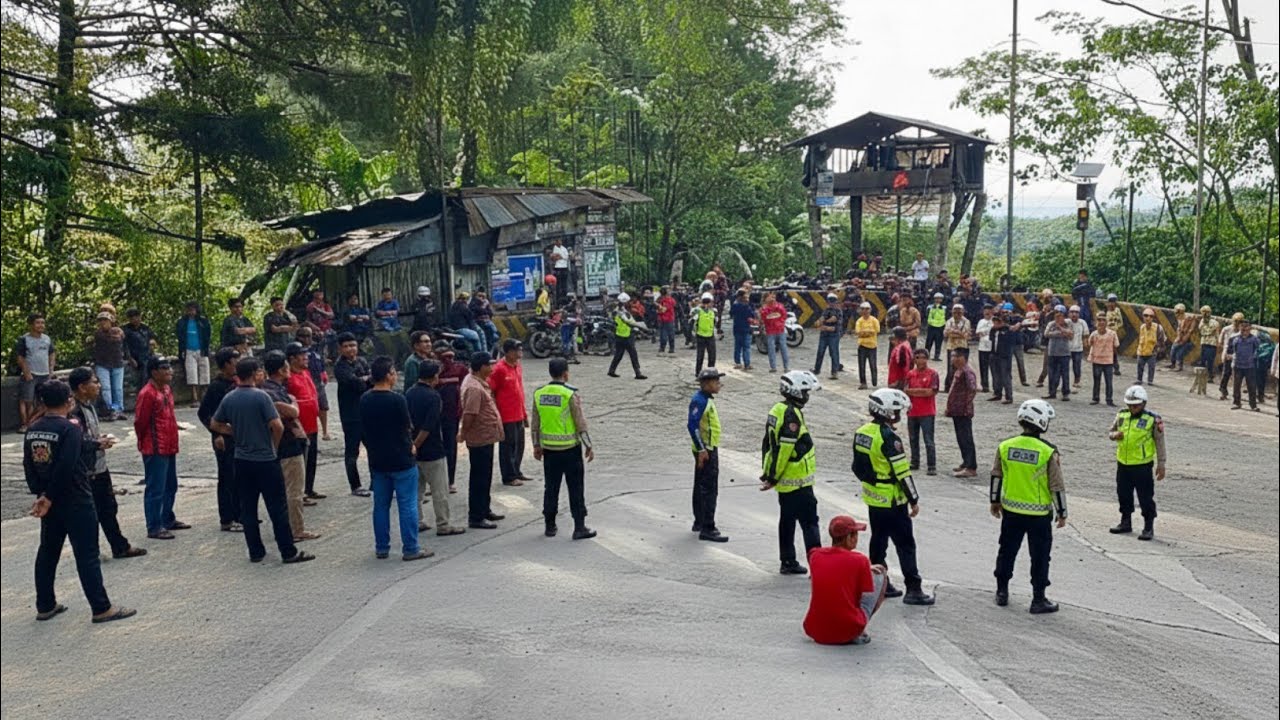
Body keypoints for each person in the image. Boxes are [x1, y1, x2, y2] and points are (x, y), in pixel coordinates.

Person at [25, 380, 137, 624]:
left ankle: (45, 604)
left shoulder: (33, 429)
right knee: (86, 554)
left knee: (48, 551)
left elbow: (29, 466)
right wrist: (50, 495)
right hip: (75, 498)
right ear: (69, 401)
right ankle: (101, 607)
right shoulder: (70, 428)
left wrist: (42, 494)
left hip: (49, 500)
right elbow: (66, 465)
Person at [210, 358, 316, 565]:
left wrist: (235, 433)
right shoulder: (261, 397)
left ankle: (256, 551)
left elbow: (215, 423)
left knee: (248, 508)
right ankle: (288, 551)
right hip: (265, 459)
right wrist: (273, 447)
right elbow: (278, 426)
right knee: (277, 507)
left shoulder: (230, 398)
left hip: (242, 459)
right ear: (254, 373)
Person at [852, 388, 934, 605]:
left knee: (878, 541)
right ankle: (914, 588)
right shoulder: (889, 437)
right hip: (892, 499)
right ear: (888, 412)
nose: (899, 414)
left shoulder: (862, 432)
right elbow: (902, 472)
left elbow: (857, 466)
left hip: (873, 497)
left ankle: (880, 585)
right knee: (905, 544)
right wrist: (913, 499)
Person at [990, 399, 1067, 614]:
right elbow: (1057, 485)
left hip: (1011, 512)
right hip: (1039, 515)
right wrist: (1062, 513)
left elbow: (996, 476)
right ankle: (1038, 599)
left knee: (1006, 552)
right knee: (1040, 557)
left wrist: (994, 502)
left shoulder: (1005, 446)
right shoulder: (1047, 451)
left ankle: (1002, 592)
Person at [67, 368, 146, 559]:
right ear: (82, 387)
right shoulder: (74, 412)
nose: (99, 386)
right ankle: (90, 551)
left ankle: (119, 546)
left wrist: (98, 440)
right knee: (90, 513)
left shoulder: (90, 406)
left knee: (108, 508)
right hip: (87, 471)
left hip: (100, 467)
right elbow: (75, 441)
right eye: (94, 382)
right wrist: (96, 443)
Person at [360, 356, 432, 561]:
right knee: (407, 504)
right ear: (388, 375)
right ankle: (411, 548)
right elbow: (406, 426)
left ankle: (382, 547)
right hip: (401, 459)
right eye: (393, 372)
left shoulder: (365, 399)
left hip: (378, 459)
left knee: (381, 505)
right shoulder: (397, 399)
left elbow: (363, 430)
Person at [760, 370, 823, 575]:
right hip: (796, 480)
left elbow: (767, 444)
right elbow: (784, 449)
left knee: (787, 520)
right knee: (809, 523)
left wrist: (769, 473)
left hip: (786, 481)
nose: (807, 395)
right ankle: (818, 567)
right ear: (796, 392)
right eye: (805, 391)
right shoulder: (791, 415)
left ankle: (787, 560)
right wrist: (772, 476)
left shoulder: (777, 409)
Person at [531, 358, 597, 540]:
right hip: (570, 449)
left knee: (550, 488)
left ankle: (550, 526)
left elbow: (535, 423)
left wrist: (536, 445)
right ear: (566, 373)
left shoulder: (539, 393)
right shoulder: (569, 394)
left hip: (549, 450)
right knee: (575, 488)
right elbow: (580, 422)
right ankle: (579, 527)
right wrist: (588, 445)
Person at [802, 515, 887, 646]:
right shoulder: (860, 560)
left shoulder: (815, 555)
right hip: (848, 629)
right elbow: (864, 592)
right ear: (849, 538)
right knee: (880, 573)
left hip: (815, 630)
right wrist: (866, 569)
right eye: (855, 535)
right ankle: (859, 630)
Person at [262, 351, 319, 542]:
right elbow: (293, 411)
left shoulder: (271, 389)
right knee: (294, 491)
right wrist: (293, 403)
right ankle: (296, 529)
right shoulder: (273, 392)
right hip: (287, 445)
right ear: (281, 369)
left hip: (282, 445)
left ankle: (287, 527)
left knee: (283, 489)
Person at [406, 359, 465, 537]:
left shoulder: (409, 393)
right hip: (432, 449)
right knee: (440, 490)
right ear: (434, 376)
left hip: (414, 452)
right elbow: (428, 426)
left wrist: (412, 446)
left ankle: (417, 521)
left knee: (416, 491)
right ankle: (443, 524)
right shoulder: (433, 397)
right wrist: (417, 444)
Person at [134, 357, 187, 540]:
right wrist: (145, 443)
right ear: (154, 372)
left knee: (170, 484)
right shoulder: (147, 393)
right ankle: (154, 526)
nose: (170, 371)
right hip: (155, 446)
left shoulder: (166, 389)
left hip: (170, 443)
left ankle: (167, 518)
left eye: (170, 367)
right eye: (165, 368)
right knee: (156, 487)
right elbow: (140, 422)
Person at [1108, 385, 1167, 540]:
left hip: (1142, 465)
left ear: (1144, 404)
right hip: (1123, 464)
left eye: (1136, 405)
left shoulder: (1152, 419)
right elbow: (1110, 432)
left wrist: (1161, 464)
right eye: (1130, 405)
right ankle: (1125, 522)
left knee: (1145, 497)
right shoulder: (1121, 415)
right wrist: (1115, 435)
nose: (1133, 408)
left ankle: (1148, 527)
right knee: (1123, 494)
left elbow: (1160, 442)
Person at [199, 347, 242, 531]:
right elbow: (204, 413)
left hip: (238, 436)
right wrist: (216, 433)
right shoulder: (217, 387)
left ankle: (240, 515)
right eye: (234, 362)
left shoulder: (236, 382)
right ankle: (227, 519)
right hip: (223, 438)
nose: (238, 365)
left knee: (239, 476)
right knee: (227, 477)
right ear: (226, 365)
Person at [460, 354, 505, 529]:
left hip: (485, 436)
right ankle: (476, 516)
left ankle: (484, 509)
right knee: (479, 477)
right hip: (479, 438)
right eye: (489, 365)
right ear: (481, 367)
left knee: (485, 476)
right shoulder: (474, 388)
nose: (492, 369)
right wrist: (463, 433)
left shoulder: (477, 382)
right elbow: (470, 414)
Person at [688, 368, 728, 542]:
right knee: (709, 488)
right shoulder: (700, 401)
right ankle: (708, 527)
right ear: (706, 384)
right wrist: (702, 449)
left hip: (705, 448)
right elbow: (692, 425)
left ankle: (700, 521)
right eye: (716, 381)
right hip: (706, 450)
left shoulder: (705, 399)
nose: (719, 384)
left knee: (700, 486)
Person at [334, 332, 373, 496]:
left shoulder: (362, 361)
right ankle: (355, 485)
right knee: (352, 452)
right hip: (350, 415)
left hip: (366, 413)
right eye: (347, 346)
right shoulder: (340, 367)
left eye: (353, 345)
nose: (351, 349)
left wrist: (364, 380)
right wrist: (364, 379)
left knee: (373, 448)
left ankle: (376, 481)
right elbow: (355, 384)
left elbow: (371, 381)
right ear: (340, 349)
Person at [490, 338, 532, 486]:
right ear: (508, 352)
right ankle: (508, 476)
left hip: (518, 412)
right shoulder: (499, 369)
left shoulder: (517, 366)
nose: (520, 352)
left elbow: (519, 390)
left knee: (519, 444)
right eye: (516, 350)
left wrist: (524, 414)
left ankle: (516, 471)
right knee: (508, 446)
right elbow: (491, 391)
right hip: (506, 414)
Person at [285, 343, 322, 504]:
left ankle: (309, 488)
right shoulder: (289, 379)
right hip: (300, 427)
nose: (305, 357)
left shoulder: (306, 373)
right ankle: (300, 493)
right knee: (301, 461)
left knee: (312, 458)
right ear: (292, 358)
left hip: (312, 423)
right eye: (301, 355)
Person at [16, 312, 56, 432]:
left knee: (44, 401)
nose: (41, 325)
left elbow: (52, 353)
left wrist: (51, 369)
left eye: (42, 322)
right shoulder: (24, 339)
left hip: (44, 374)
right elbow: (20, 358)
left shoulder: (47, 339)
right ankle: (25, 425)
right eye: (38, 323)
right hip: (31, 374)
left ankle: (37, 423)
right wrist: (27, 373)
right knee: (27, 400)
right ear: (31, 325)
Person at [904, 349, 939, 475]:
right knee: (913, 438)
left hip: (927, 412)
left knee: (928, 440)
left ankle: (931, 465)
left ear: (927, 359)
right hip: (912, 411)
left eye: (923, 357)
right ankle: (915, 461)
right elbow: (906, 390)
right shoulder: (910, 374)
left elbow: (931, 392)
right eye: (918, 357)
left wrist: (914, 391)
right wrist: (922, 391)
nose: (920, 360)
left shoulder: (933, 374)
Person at [437, 349, 467, 492]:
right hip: (435, 414)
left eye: (451, 357)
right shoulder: (434, 368)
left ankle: (450, 480)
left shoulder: (460, 369)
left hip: (452, 414)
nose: (449, 360)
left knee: (451, 447)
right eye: (446, 357)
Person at [946, 348, 978, 478]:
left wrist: (966, 405)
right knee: (960, 437)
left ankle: (971, 466)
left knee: (966, 438)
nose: (952, 359)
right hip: (956, 410)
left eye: (954, 356)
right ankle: (966, 462)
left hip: (963, 411)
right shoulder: (958, 371)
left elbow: (972, 389)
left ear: (962, 357)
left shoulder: (967, 371)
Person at [296, 327, 332, 441]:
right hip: (306, 379)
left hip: (317, 379)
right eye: (303, 335)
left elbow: (320, 360)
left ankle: (325, 431)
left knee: (323, 405)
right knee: (309, 406)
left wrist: (323, 371)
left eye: (309, 336)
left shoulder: (316, 347)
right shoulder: (296, 349)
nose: (307, 338)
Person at [91, 311, 127, 420]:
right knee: (106, 388)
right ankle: (110, 410)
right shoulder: (98, 334)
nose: (103, 323)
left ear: (111, 321)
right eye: (101, 321)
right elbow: (111, 338)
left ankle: (118, 409)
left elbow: (121, 340)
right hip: (102, 364)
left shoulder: (118, 331)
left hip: (117, 363)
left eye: (105, 320)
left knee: (118, 389)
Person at [606, 292, 648, 380]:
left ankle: (611, 370)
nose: (630, 303)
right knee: (633, 354)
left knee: (619, 354)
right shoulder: (620, 312)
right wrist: (641, 327)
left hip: (619, 335)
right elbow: (629, 322)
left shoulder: (618, 310)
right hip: (626, 335)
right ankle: (638, 373)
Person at [1228, 319, 1262, 411]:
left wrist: (1253, 358)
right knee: (1236, 385)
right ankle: (1236, 403)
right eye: (1242, 326)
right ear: (1239, 327)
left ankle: (1253, 405)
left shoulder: (1254, 339)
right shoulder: (1234, 338)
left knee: (1251, 386)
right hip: (1237, 365)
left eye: (1246, 326)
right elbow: (1231, 350)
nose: (1244, 328)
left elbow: (1258, 350)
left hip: (1250, 366)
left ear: (1250, 328)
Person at [1087, 315, 1120, 406]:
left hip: (1108, 361)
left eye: (1103, 320)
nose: (1101, 322)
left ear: (1106, 322)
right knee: (1096, 381)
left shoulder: (1112, 334)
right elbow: (1090, 343)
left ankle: (1109, 399)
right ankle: (1095, 398)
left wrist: (1115, 360)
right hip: (1097, 360)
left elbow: (1116, 346)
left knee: (1109, 382)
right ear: (1096, 323)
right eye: (1099, 320)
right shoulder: (1094, 334)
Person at [122, 309, 158, 392]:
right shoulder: (126, 330)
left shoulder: (145, 328)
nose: (135, 319)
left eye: (137, 317)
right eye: (132, 318)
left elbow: (153, 338)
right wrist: (130, 358)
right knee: (145, 367)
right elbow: (124, 346)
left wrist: (152, 342)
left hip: (147, 354)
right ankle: (143, 391)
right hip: (135, 356)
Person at [1042, 306, 1073, 401]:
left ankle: (1065, 393)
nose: (1058, 316)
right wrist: (1060, 333)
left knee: (1065, 374)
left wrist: (1060, 328)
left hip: (1064, 353)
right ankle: (1052, 392)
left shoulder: (1068, 323)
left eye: (1060, 315)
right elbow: (1046, 334)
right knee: (1051, 373)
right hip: (1052, 352)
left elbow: (1070, 335)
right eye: (1056, 314)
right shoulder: (1051, 324)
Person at [812, 294, 843, 380]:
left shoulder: (838, 311)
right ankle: (817, 369)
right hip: (825, 334)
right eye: (830, 303)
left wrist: (824, 325)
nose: (831, 304)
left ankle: (834, 372)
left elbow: (835, 324)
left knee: (834, 353)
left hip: (833, 334)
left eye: (833, 303)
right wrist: (819, 322)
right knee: (820, 352)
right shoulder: (826, 310)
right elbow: (822, 319)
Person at [942, 304, 971, 392]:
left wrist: (954, 332)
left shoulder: (966, 321)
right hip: (951, 346)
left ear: (962, 312)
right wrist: (958, 332)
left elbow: (965, 335)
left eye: (959, 311)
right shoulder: (949, 321)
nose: (957, 313)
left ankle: (961, 386)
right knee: (950, 367)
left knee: (961, 367)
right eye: (955, 311)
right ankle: (949, 386)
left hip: (962, 346)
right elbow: (946, 333)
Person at [988, 312, 1015, 404]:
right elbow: (991, 339)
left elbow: (1011, 341)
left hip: (1004, 356)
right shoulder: (993, 330)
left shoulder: (1007, 330)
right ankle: (997, 393)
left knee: (1005, 376)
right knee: (995, 376)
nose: (995, 324)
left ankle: (1009, 396)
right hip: (994, 354)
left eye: (997, 322)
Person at [852, 302, 879, 389]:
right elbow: (858, 332)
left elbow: (876, 331)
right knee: (861, 365)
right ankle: (863, 382)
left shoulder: (874, 320)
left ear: (870, 310)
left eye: (867, 309)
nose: (865, 311)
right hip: (862, 345)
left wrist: (864, 333)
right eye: (863, 309)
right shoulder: (859, 321)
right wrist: (868, 332)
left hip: (872, 346)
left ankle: (874, 380)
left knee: (873, 364)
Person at [1217, 312, 1244, 400]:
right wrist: (1225, 352)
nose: (1237, 323)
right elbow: (1220, 342)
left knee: (1237, 376)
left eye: (1239, 321)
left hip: (1239, 355)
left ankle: (1236, 394)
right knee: (1226, 373)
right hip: (1228, 353)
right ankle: (1223, 390)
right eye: (1236, 321)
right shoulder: (1226, 329)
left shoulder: (1243, 332)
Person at [730, 289, 757, 371]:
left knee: (737, 346)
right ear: (741, 297)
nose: (747, 299)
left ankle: (738, 362)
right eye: (745, 297)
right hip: (746, 329)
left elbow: (731, 313)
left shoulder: (735, 305)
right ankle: (747, 363)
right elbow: (752, 315)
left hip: (737, 328)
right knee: (746, 347)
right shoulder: (747, 307)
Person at [691, 292, 718, 375]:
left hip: (710, 335)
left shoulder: (714, 311)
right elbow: (692, 315)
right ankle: (698, 373)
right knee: (700, 356)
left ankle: (711, 372)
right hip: (700, 336)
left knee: (712, 356)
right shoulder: (698, 311)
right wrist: (699, 306)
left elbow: (716, 321)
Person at [1135, 308, 1163, 386]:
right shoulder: (1142, 327)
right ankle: (1139, 379)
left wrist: (1158, 348)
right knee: (1140, 365)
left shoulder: (1158, 328)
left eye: (1150, 316)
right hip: (1142, 350)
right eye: (1146, 316)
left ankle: (1150, 380)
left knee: (1151, 367)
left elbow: (1162, 339)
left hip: (1152, 351)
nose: (1148, 318)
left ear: (1153, 318)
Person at [1168, 303, 1196, 371]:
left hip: (1188, 339)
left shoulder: (1189, 318)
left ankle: (1179, 366)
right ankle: (1173, 363)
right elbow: (1179, 329)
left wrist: (1184, 339)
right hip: (1180, 337)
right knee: (1173, 350)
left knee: (1180, 353)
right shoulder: (1180, 319)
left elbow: (1190, 330)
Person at [1196, 306, 1222, 381]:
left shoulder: (1214, 323)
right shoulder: (1202, 321)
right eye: (1203, 312)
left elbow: (1216, 333)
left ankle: (1210, 375)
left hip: (1212, 342)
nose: (1205, 314)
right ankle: (1203, 376)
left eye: (1206, 312)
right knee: (1203, 360)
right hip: (1204, 341)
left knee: (1210, 360)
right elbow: (1201, 331)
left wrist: (1219, 343)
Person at [1067, 305, 1088, 388]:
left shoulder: (1082, 323)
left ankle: (1077, 380)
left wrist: (1087, 350)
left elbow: (1085, 336)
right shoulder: (1066, 322)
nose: (1074, 314)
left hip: (1078, 348)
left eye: (1076, 312)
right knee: (1063, 367)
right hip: (1066, 348)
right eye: (1072, 312)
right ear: (1069, 313)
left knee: (1077, 366)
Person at [975, 305, 994, 393]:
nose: (987, 314)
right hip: (982, 346)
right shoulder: (981, 321)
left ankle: (996, 385)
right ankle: (984, 385)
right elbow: (978, 333)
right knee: (983, 367)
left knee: (993, 367)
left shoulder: (994, 321)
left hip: (992, 346)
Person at [1104, 294, 1124, 376]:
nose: (1111, 304)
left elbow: (1120, 322)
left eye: (1113, 302)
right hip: (1107, 333)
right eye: (1110, 302)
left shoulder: (1117, 311)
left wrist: (1115, 328)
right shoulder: (1107, 312)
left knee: (1113, 351)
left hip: (1114, 333)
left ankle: (1116, 367)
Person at [924, 293, 947, 361]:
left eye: (939, 298)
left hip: (940, 327)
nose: (938, 300)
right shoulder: (929, 307)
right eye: (936, 298)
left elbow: (946, 316)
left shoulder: (944, 307)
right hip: (931, 326)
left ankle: (937, 356)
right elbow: (926, 315)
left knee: (938, 342)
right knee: (929, 342)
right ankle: (925, 355)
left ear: (942, 299)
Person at [656, 286, 678, 355]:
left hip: (668, 319)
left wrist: (657, 306)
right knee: (664, 334)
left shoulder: (669, 300)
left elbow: (663, 310)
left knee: (667, 334)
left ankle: (669, 348)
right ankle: (665, 348)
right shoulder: (662, 299)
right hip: (663, 319)